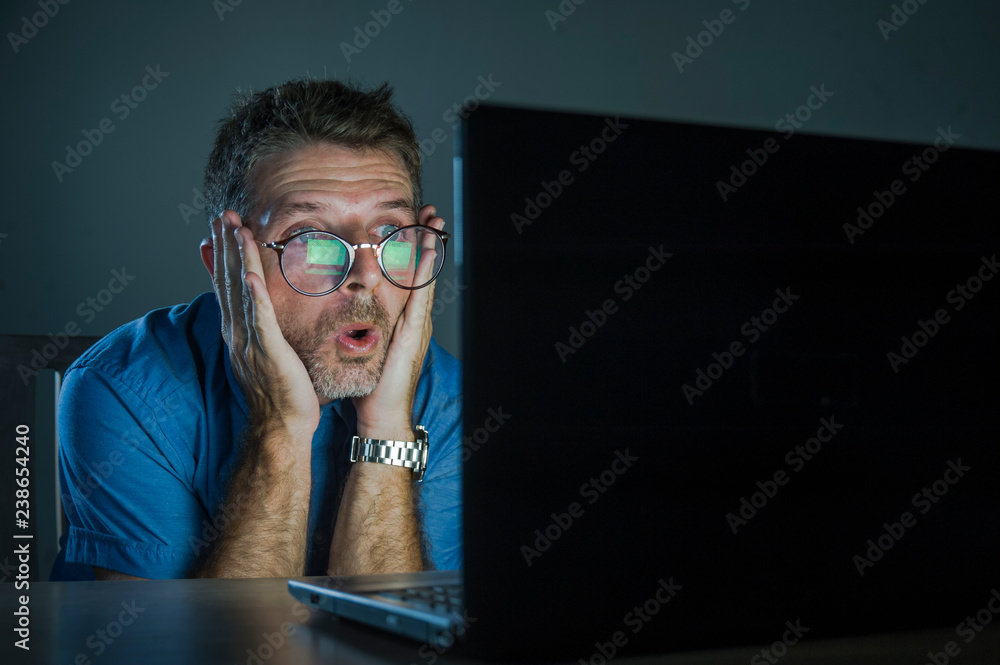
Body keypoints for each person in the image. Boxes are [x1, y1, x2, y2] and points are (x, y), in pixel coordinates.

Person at [51, 78, 462, 580]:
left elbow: (399, 649)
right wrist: (280, 428)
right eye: (311, 241)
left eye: (389, 235)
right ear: (224, 266)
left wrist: (386, 431)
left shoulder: (452, 402)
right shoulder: (121, 391)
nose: (367, 277)